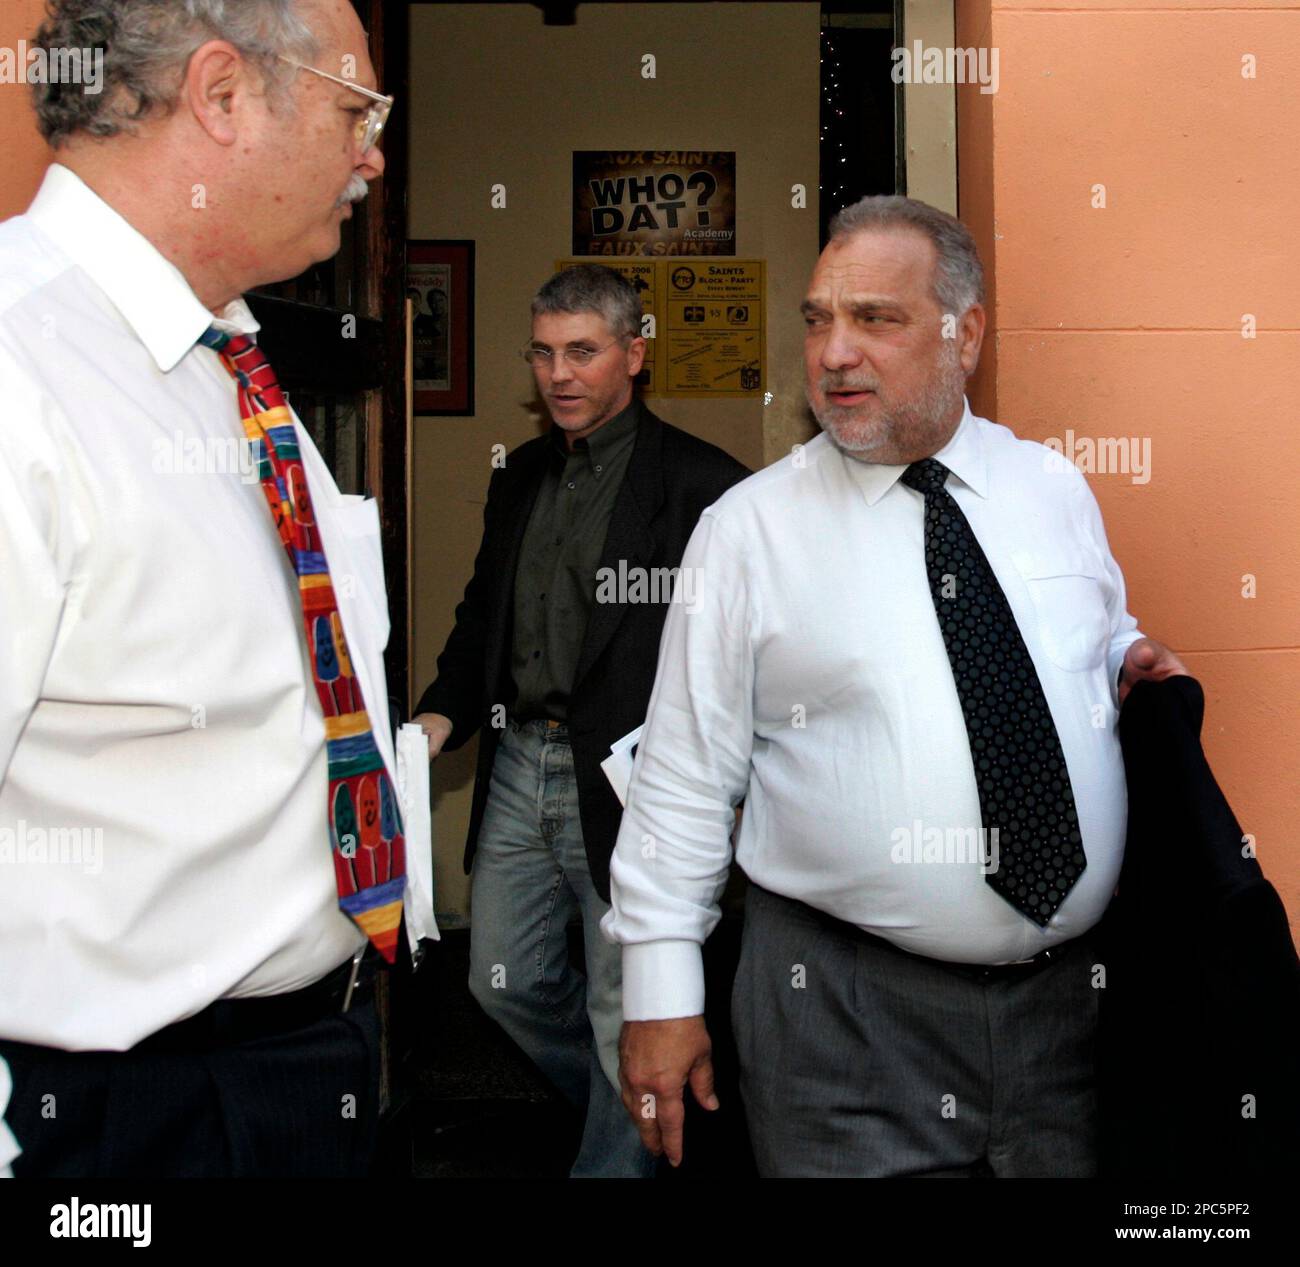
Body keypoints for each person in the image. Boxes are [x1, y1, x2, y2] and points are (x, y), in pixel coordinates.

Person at [603, 195, 1189, 1177]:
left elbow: (1095, 636)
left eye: (874, 319)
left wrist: (1130, 661)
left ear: (965, 335)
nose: (834, 352)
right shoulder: (747, 532)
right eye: (817, 319)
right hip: (842, 1026)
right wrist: (661, 995)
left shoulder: (1051, 489)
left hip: (1072, 1020)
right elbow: (683, 775)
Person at [0, 0, 401, 1177]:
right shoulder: (19, 367)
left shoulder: (228, 362)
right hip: (117, 1121)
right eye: (353, 110)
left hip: (298, 1069)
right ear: (223, 95)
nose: (372, 154)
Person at [413, 264, 749, 1177]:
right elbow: (485, 611)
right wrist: (441, 714)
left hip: (634, 778)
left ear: (633, 355)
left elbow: (740, 650)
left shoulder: (703, 485)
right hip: (520, 764)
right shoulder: (518, 474)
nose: (559, 374)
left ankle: (616, 1149)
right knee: (499, 980)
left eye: (583, 352)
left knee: (623, 1000)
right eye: (544, 353)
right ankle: (640, 1111)